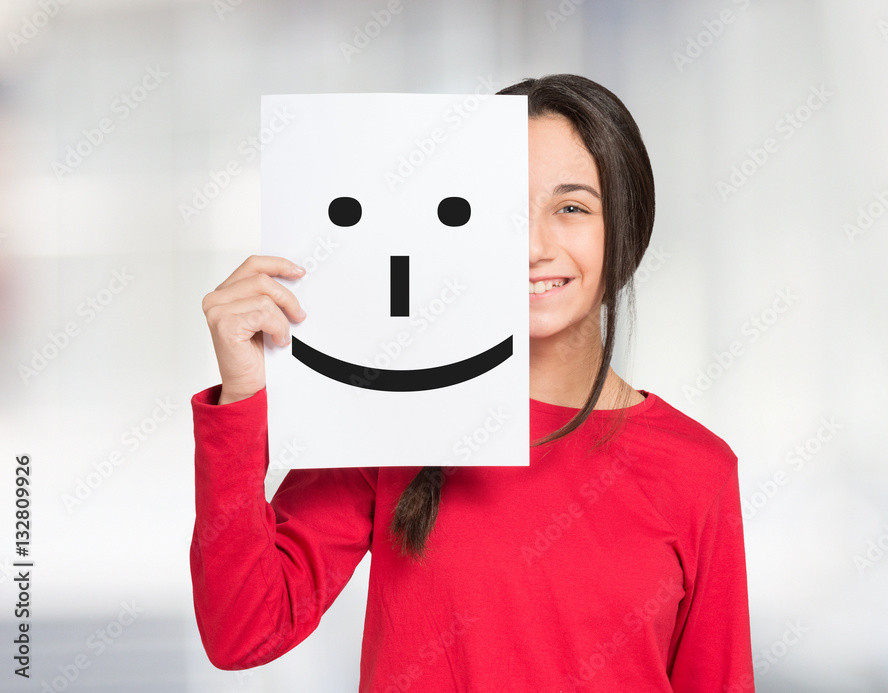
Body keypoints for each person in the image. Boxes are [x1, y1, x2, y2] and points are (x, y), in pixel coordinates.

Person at [190, 74, 755, 692]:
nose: (535, 247)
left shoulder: (697, 472)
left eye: (572, 208)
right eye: (507, 212)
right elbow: (246, 628)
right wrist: (242, 399)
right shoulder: (394, 412)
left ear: (626, 227)